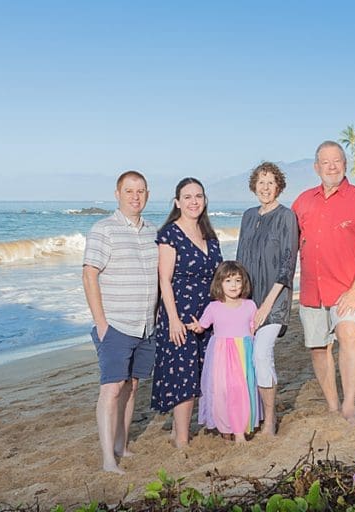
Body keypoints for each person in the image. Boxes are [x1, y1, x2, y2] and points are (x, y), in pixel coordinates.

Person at [291, 141, 355, 425]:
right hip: (312, 289)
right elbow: (288, 245)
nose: (332, 166)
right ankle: (333, 406)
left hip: (348, 288)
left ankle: (349, 405)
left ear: (345, 164)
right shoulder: (302, 202)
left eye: (337, 161)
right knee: (318, 348)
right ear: (316, 167)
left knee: (348, 334)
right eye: (325, 162)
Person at [82, 170, 158, 473]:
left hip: (145, 325)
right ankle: (108, 460)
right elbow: (89, 275)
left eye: (140, 191)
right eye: (129, 191)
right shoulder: (104, 229)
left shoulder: (154, 231)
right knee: (112, 388)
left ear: (147, 195)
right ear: (118, 194)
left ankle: (122, 446)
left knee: (132, 386)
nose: (135, 196)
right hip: (116, 324)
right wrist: (101, 323)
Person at [151, 177, 223, 448]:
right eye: (188, 197)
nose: (194, 201)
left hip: (206, 316)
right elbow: (164, 280)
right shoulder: (170, 234)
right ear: (177, 202)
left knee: (202, 372)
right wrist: (172, 319)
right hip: (179, 314)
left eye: (199, 196)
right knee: (183, 376)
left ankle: (178, 432)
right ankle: (181, 438)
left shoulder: (210, 237)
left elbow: (218, 277)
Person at [235, 162, 298, 436]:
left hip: (274, 300)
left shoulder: (287, 217)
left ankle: (270, 419)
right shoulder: (248, 216)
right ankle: (253, 414)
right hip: (247, 300)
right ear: (254, 186)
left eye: (271, 182)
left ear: (279, 187)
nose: (265, 187)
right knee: (244, 359)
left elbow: (287, 264)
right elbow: (239, 261)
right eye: (261, 182)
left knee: (262, 354)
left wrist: (265, 306)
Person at [187, 261, 261, 442]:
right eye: (228, 281)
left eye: (237, 280)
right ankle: (225, 430)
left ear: (244, 283)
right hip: (220, 356)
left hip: (243, 354)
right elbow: (203, 326)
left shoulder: (250, 305)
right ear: (219, 283)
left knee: (242, 390)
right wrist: (196, 327)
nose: (234, 285)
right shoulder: (214, 307)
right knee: (221, 392)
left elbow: (254, 328)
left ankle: (239, 430)